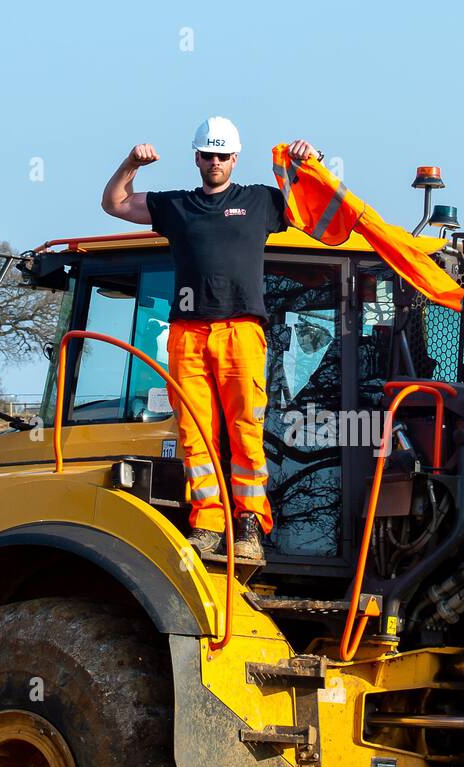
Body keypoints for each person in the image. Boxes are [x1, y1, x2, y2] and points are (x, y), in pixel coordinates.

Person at [101, 116, 319, 561]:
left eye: (223, 155)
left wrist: (309, 161)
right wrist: (130, 162)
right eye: (208, 155)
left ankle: (248, 524)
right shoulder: (176, 205)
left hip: (241, 331)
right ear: (197, 158)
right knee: (196, 436)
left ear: (235, 158)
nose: (215, 162)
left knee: (245, 431)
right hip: (187, 333)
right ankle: (207, 524)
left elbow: (318, 208)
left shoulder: (262, 201)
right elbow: (115, 203)